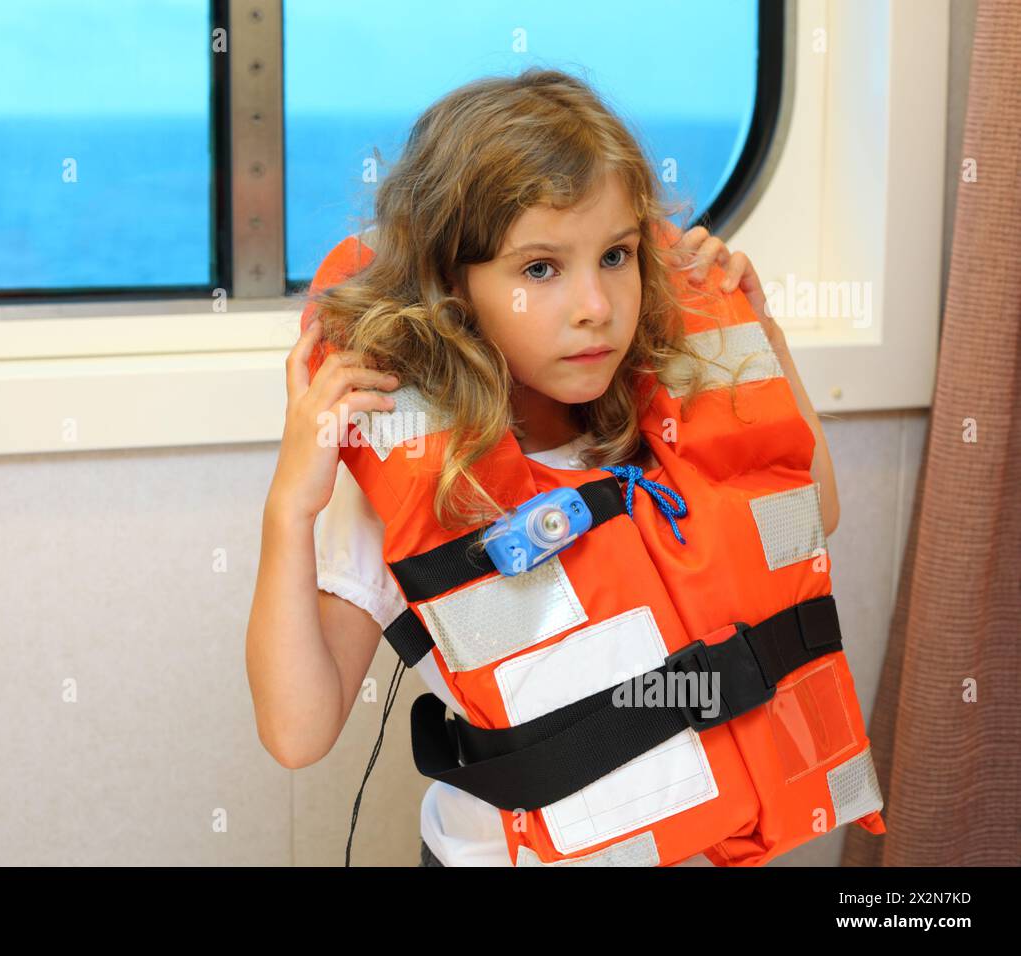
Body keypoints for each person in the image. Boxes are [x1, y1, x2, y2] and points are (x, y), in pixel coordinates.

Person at [245, 67, 839, 867]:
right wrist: (290, 510)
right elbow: (298, 732)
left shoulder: (654, 422)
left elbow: (814, 512)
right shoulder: (417, 476)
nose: (595, 305)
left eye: (618, 255)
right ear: (453, 290)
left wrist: (755, 340)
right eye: (540, 270)